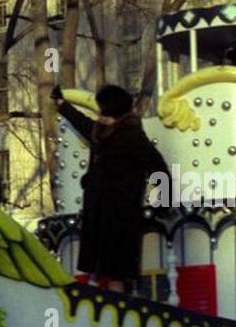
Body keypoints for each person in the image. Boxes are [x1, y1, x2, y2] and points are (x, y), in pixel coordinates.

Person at [53, 82, 167, 293]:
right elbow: (83, 123)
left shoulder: (133, 137)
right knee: (100, 269)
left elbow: (158, 167)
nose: (99, 113)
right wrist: (62, 105)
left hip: (120, 214)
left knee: (116, 272)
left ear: (112, 110)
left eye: (102, 108)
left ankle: (118, 313)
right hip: (98, 212)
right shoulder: (102, 132)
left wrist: (162, 202)